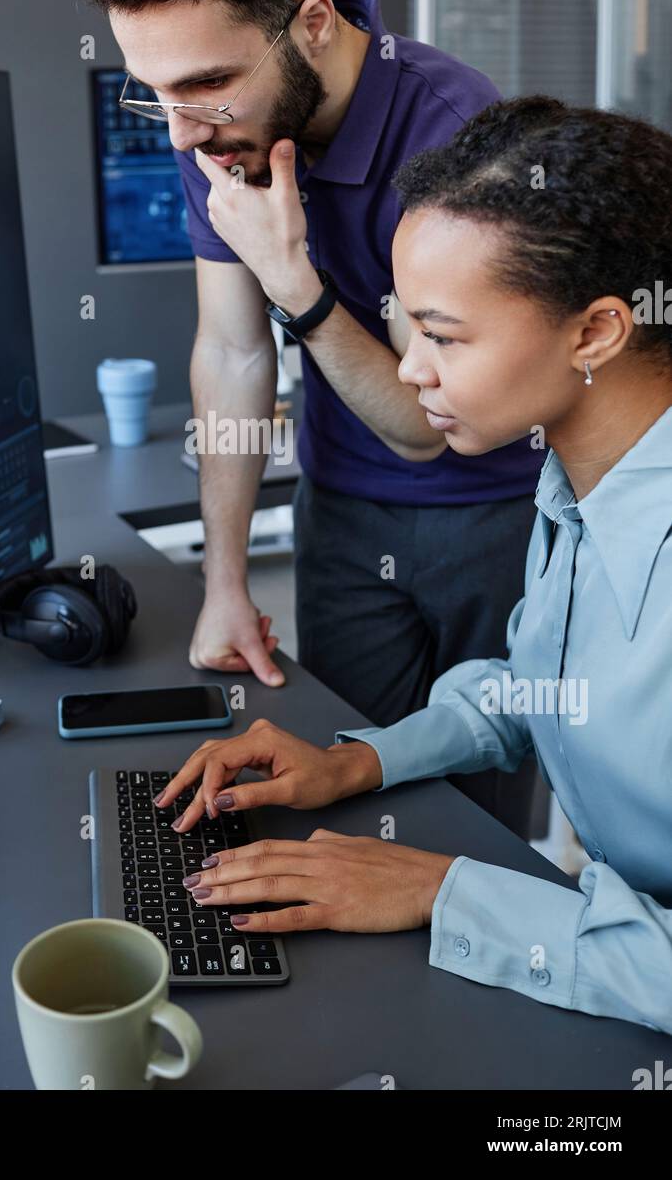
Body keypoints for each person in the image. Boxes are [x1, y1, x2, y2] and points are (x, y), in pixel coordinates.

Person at [149, 96, 672, 1033]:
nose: (411, 370)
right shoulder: (579, 475)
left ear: (595, 333)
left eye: (442, 335)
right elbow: (538, 685)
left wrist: (446, 891)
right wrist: (356, 764)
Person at [75, 0, 542, 836]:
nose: (177, 133)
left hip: (492, 519)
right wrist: (225, 581)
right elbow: (232, 352)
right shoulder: (211, 138)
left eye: (203, 84)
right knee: (333, 804)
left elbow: (426, 425)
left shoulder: (452, 125)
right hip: (343, 511)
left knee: (476, 829)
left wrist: (294, 278)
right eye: (150, 91)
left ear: (313, 21)